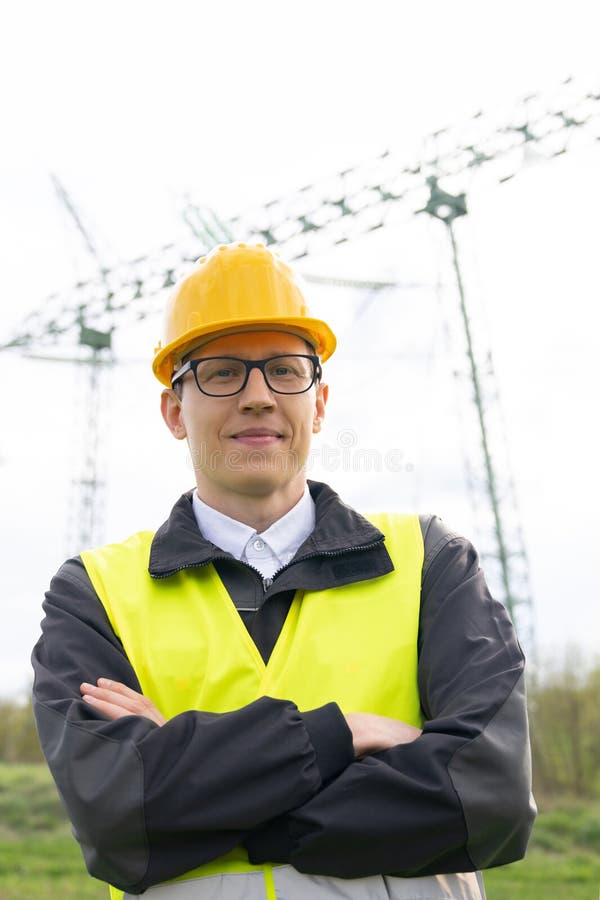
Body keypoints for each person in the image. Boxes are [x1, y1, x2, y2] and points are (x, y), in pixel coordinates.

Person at [32, 242, 536, 900]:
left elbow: (488, 796)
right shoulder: (93, 592)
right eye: (221, 373)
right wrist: (341, 735)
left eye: (284, 371)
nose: (259, 398)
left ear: (319, 402)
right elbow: (117, 812)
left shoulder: (432, 562)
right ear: (174, 410)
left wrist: (195, 784)